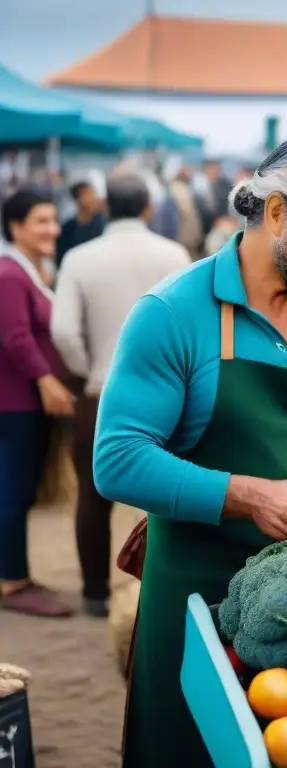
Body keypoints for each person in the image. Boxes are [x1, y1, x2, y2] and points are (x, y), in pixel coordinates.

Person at [94, 130, 287, 766]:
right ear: (279, 212)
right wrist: (248, 495)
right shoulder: (173, 314)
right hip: (197, 610)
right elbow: (117, 458)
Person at [50, 173, 191, 619]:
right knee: (170, 495)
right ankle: (163, 591)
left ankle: (95, 594)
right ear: (148, 207)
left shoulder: (78, 257)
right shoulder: (173, 254)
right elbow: (191, 326)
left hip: (98, 391)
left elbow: (63, 331)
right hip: (173, 396)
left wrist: (88, 367)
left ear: (107, 206)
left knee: (92, 497)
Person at [0, 189, 76, 618]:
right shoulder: (11, 273)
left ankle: (14, 573)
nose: (52, 229)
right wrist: (45, 379)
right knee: (13, 492)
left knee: (16, 490)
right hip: (15, 403)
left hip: (21, 401)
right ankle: (13, 582)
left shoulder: (30, 270)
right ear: (15, 227)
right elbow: (14, 337)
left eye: (52, 219)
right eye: (41, 221)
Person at [56, 181, 105, 269]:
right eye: (89, 194)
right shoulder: (68, 228)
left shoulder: (103, 224)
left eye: (94, 194)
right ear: (78, 199)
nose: (94, 198)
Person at [167, 167, 205, 260]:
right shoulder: (178, 188)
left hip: (188, 235)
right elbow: (186, 210)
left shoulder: (183, 187)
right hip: (185, 235)